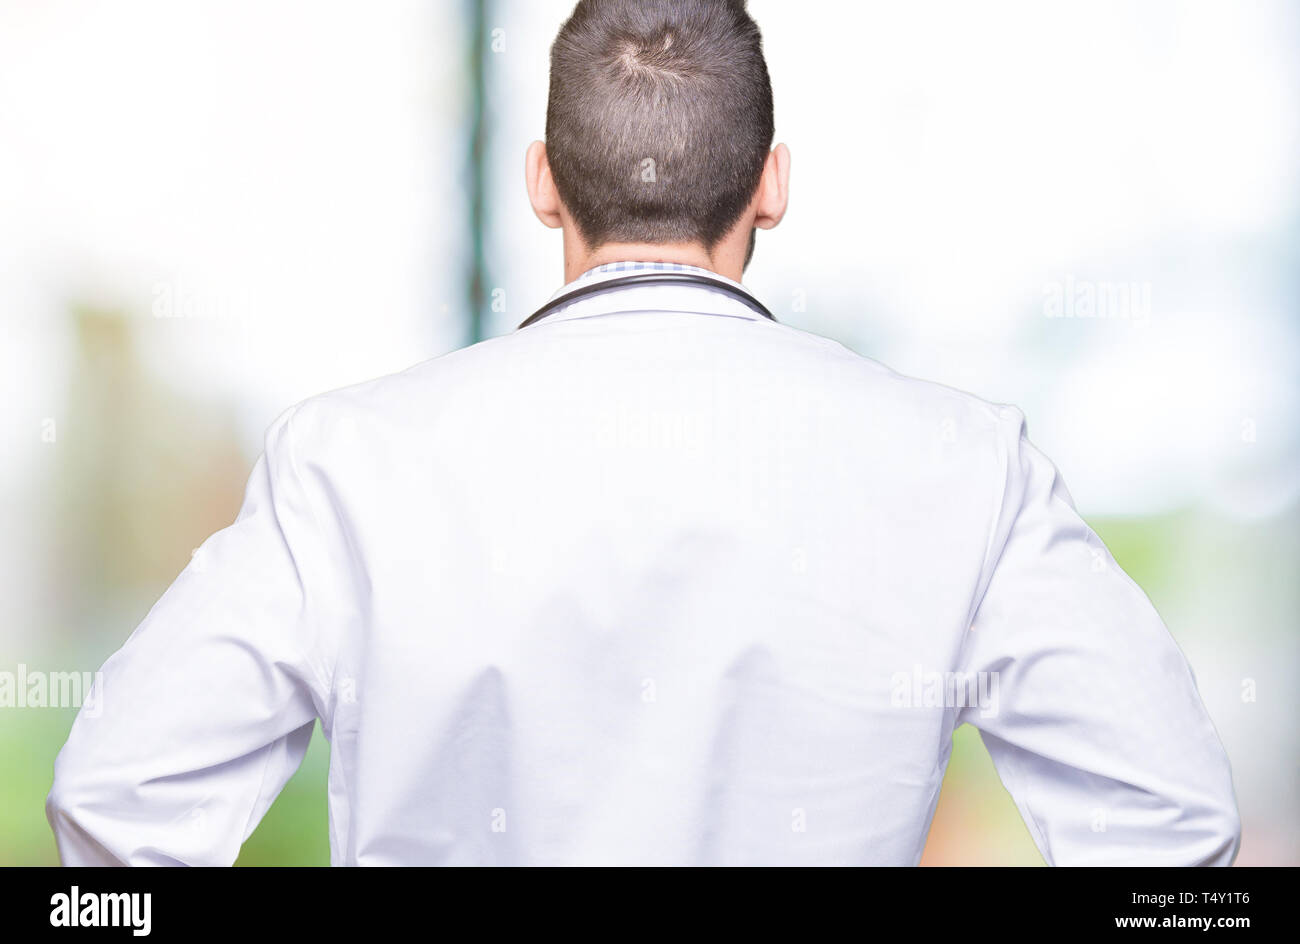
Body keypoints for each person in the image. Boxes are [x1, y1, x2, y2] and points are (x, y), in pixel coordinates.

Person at [46, 0, 1240, 866]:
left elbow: (116, 811)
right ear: (770, 184)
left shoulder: (346, 461)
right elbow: (1173, 839)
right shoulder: (971, 468)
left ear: (541, 183)